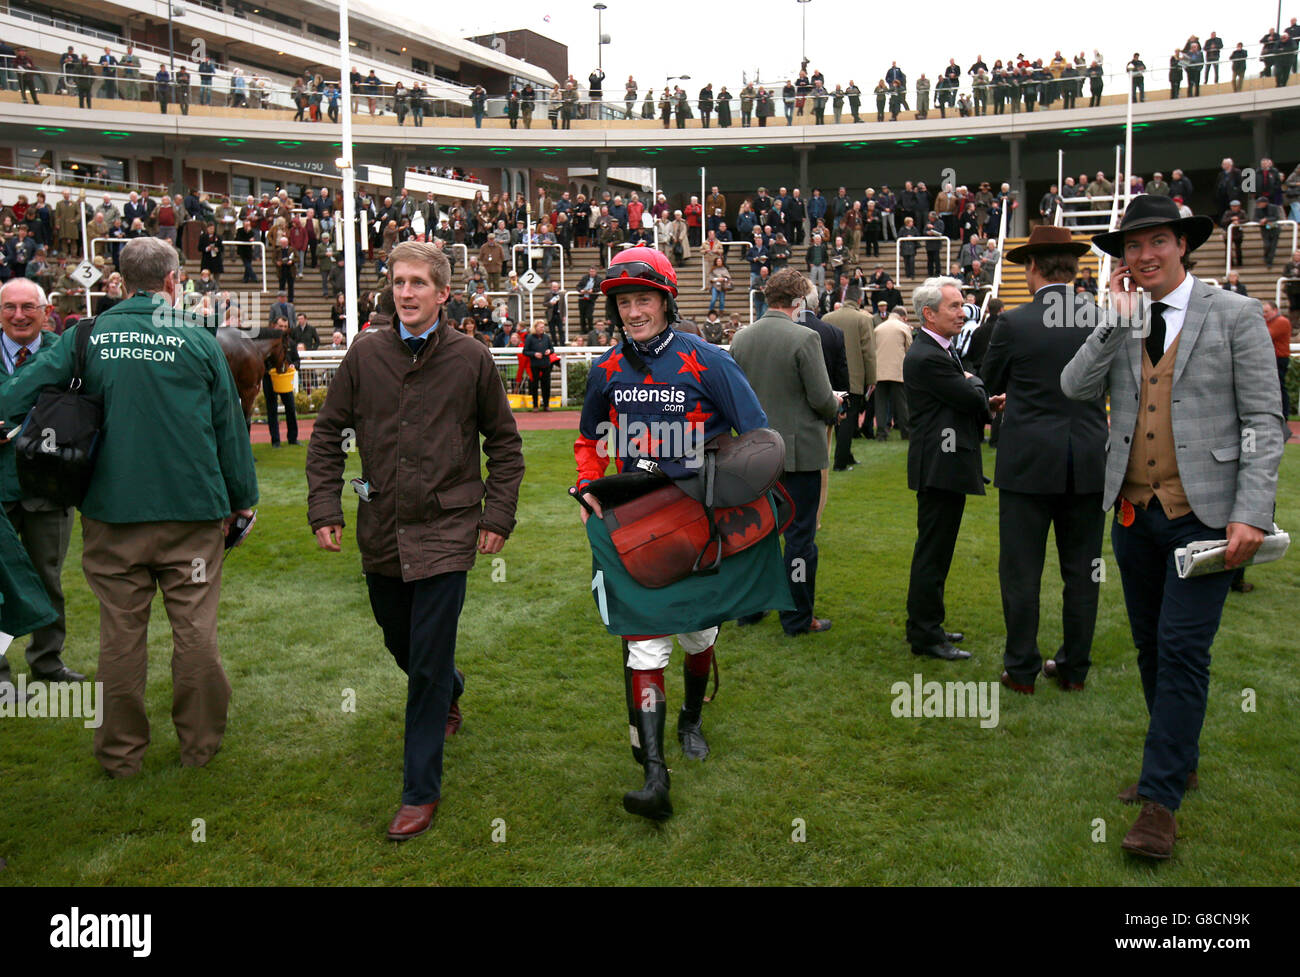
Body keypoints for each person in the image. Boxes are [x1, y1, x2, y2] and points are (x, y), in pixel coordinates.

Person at [1061, 194, 1283, 860]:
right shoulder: (1126, 318)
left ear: (1182, 245)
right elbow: (1075, 386)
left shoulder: (1237, 315)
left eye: (1156, 241)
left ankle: (1160, 801)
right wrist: (1113, 320)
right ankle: (1178, 756)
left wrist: (1251, 510)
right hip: (1134, 515)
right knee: (1153, 648)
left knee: (1184, 649)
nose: (1144, 255)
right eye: (1131, 246)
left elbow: (1264, 423)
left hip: (1206, 517)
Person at [0, 238, 257, 777]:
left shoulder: (84, 336)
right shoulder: (198, 337)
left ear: (119, 283)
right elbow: (229, 427)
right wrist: (242, 501)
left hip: (112, 515)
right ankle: (200, 747)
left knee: (119, 636)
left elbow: (11, 397)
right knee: (196, 634)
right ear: (172, 282)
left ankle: (120, 755)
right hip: (193, 513)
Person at [307, 241, 524, 841]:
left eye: (418, 284)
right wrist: (325, 504)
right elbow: (328, 437)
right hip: (380, 528)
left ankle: (418, 792)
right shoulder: (365, 354)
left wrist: (496, 516)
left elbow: (504, 445)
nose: (405, 293)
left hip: (449, 529)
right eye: (398, 282)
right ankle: (451, 687)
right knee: (402, 644)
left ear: (443, 293)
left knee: (425, 663)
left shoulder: (472, 358)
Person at [572, 246, 772, 822]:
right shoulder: (607, 367)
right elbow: (590, 438)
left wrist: (728, 489)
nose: (634, 311)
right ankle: (654, 773)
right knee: (645, 642)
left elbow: (756, 436)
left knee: (698, 638)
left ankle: (691, 720)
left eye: (644, 299)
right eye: (625, 302)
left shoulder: (708, 359)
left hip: (698, 522)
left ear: (666, 300)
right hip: (634, 521)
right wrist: (590, 485)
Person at [979, 227, 1107, 694]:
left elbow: (987, 381)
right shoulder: (1102, 317)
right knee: (1083, 572)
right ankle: (1073, 669)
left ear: (1032, 268)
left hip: (1029, 462)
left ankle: (1022, 669)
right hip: (1089, 461)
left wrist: (1001, 401)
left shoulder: (1015, 323)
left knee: (1021, 572)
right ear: (1073, 269)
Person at [732, 269, 842, 635]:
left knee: (755, 535)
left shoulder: (742, 338)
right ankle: (796, 616)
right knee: (799, 538)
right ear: (798, 303)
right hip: (797, 454)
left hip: (753, 454)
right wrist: (836, 407)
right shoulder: (805, 337)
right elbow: (822, 399)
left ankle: (751, 608)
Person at [0, 280, 87, 699]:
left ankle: (47, 662)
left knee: (48, 577)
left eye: (28, 307)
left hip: (49, 485)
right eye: (10, 307)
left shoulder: (67, 354)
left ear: (46, 310)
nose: (19, 315)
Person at [903, 277, 991, 662]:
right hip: (939, 465)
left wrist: (975, 388)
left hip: (944, 462)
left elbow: (970, 395)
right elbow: (971, 398)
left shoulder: (940, 350)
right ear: (929, 313)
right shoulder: (927, 355)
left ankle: (929, 625)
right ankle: (924, 634)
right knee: (932, 554)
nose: (963, 312)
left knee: (937, 552)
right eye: (954, 306)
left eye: (963, 305)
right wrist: (977, 387)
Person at [823, 285, 878, 471]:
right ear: (860, 300)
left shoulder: (827, 318)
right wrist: (871, 379)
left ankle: (847, 455)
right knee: (848, 420)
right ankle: (840, 462)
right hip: (853, 379)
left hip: (830, 378)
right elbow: (868, 352)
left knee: (838, 417)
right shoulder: (864, 319)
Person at [522, 319, 554, 411]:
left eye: (543, 327)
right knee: (534, 386)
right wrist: (534, 354)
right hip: (535, 365)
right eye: (540, 327)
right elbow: (525, 351)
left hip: (546, 364)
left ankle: (546, 405)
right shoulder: (530, 338)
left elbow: (552, 348)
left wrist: (550, 351)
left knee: (546, 385)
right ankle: (535, 406)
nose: (542, 329)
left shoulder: (546, 337)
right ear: (535, 327)